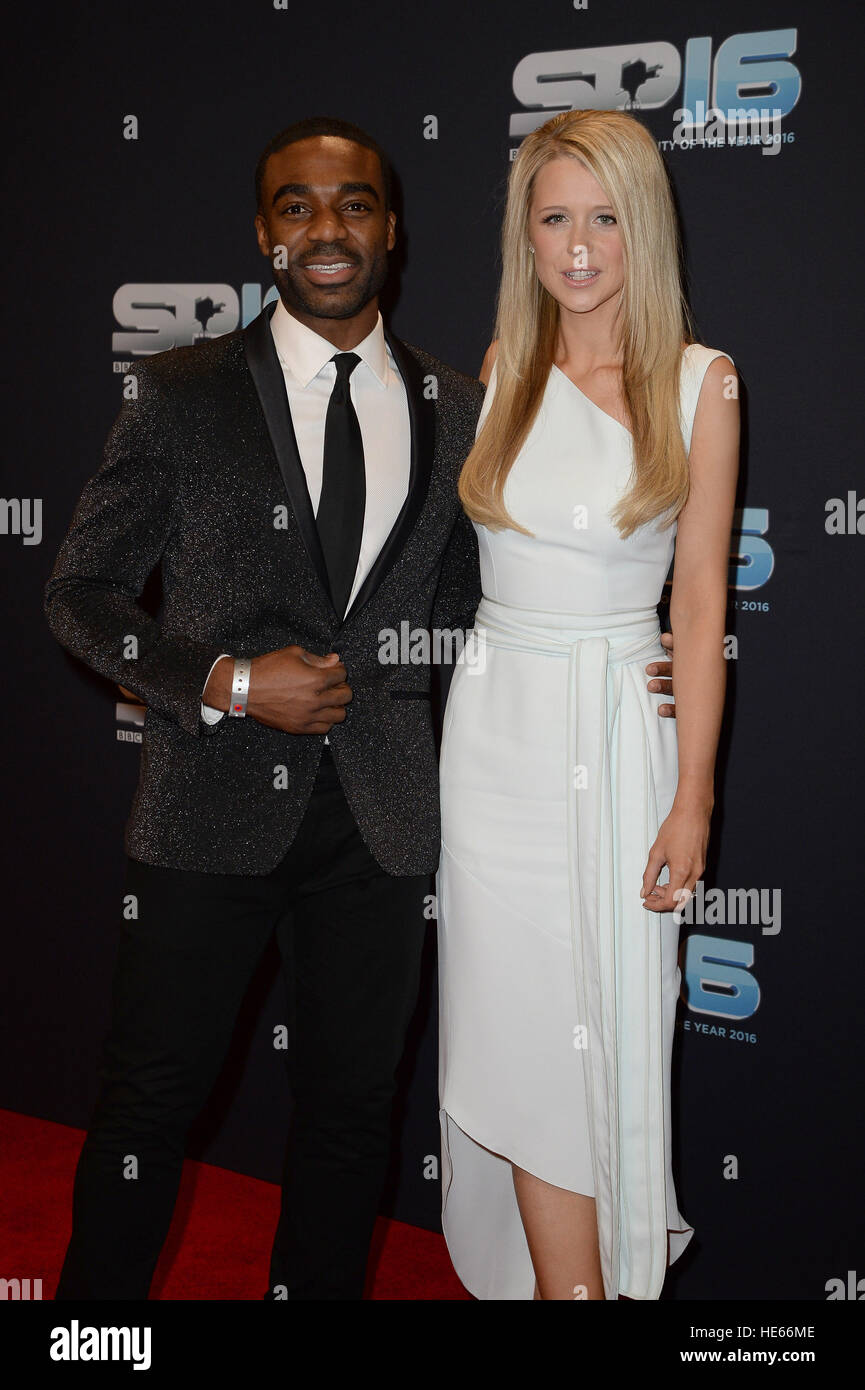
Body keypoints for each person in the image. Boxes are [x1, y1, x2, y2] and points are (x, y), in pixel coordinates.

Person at [45, 115, 675, 1302]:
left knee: (349, 1118)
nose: (325, 230)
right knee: (148, 1105)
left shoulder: (458, 406)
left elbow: (504, 591)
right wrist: (226, 682)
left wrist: (661, 632)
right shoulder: (181, 390)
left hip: (386, 825)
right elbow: (78, 594)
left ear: (392, 229)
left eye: (352, 206)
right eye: (296, 205)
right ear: (262, 232)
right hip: (205, 816)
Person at [436, 109, 739, 1302]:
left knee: (602, 1034)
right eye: (553, 217)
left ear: (641, 227)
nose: (576, 246)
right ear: (526, 231)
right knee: (518, 1040)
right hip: (493, 738)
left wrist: (694, 797)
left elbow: (703, 596)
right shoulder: (508, 368)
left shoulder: (699, 381)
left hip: (618, 744)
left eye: (603, 217)